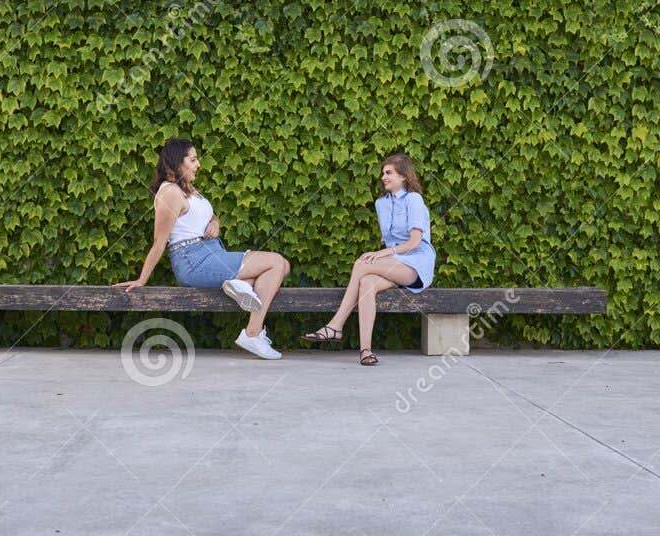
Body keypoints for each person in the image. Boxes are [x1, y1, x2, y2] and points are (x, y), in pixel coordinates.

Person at [115, 137, 291, 361]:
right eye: (193, 159)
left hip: (213, 253)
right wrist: (142, 279)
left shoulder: (188, 188)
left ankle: (243, 285)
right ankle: (252, 333)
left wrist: (215, 224)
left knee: (283, 265)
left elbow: (209, 215)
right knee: (275, 261)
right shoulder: (170, 192)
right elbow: (160, 241)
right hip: (193, 260)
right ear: (178, 162)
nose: (198, 164)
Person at [302, 153, 435, 365]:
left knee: (361, 264)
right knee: (366, 282)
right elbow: (392, 241)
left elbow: (414, 243)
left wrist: (382, 253)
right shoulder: (381, 204)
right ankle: (366, 351)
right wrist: (386, 254)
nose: (383, 177)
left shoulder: (413, 199)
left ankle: (336, 325)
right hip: (394, 263)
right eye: (383, 172)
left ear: (403, 176)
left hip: (415, 263)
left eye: (389, 172)